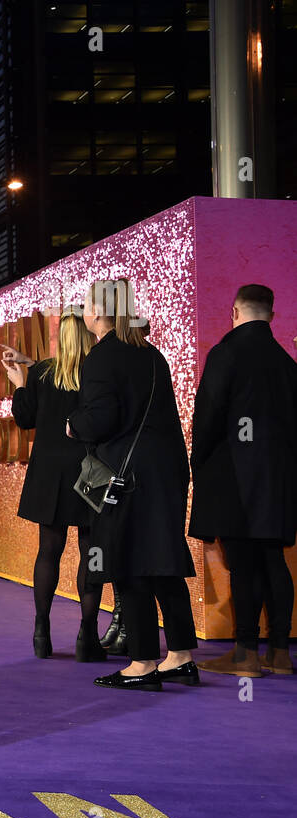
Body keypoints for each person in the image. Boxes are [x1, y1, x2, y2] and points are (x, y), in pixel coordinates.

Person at [67, 286, 197, 690]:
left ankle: (141, 662)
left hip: (126, 477)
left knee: (128, 562)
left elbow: (102, 418)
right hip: (167, 471)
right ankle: (180, 656)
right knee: (163, 562)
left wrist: (74, 424)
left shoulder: (102, 357)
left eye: (87, 304)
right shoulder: (152, 353)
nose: (83, 312)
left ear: (98, 313)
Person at [189, 284, 297, 676]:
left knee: (243, 564)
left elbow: (209, 419)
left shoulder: (226, 353)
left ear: (234, 312)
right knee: (274, 560)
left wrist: (197, 465)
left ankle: (245, 653)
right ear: (272, 314)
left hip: (234, 476)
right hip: (279, 480)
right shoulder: (287, 364)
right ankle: (281, 653)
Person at [2, 308, 105, 660]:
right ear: (89, 334)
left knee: (49, 551)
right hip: (90, 473)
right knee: (92, 552)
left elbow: (25, 418)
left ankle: (41, 631)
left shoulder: (44, 374)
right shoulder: (97, 374)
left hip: (49, 474)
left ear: (60, 338)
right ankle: (87, 636)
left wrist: (20, 383)